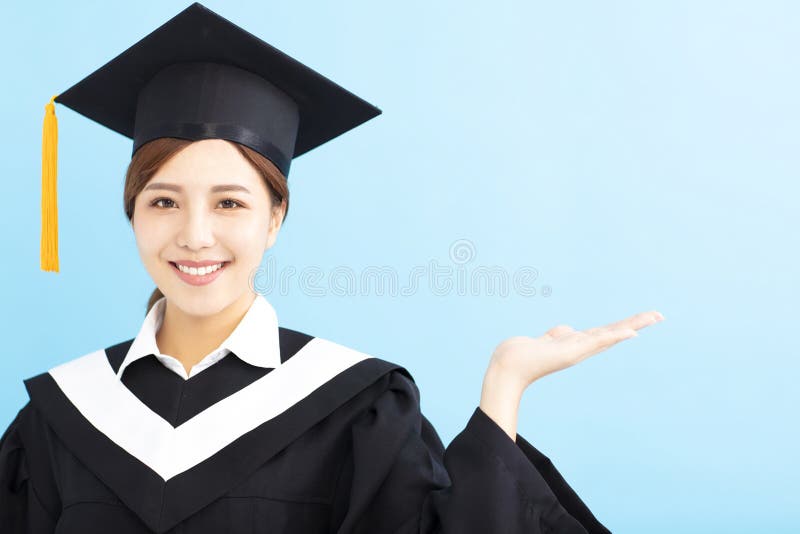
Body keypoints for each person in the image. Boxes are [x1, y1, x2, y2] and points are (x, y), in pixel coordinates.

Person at [0, 3, 663, 532]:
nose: (195, 236)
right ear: (132, 213)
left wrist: (504, 387)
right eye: (163, 201)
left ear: (275, 218)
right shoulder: (59, 419)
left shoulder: (358, 410)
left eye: (230, 203)